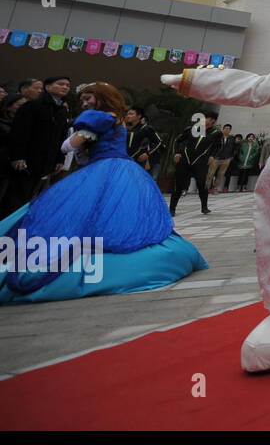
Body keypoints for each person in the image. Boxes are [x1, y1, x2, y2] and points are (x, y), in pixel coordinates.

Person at [0, 82, 207, 303]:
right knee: (117, 212)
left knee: (80, 211)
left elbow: (68, 146)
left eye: (88, 98)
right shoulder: (117, 119)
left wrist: (74, 141)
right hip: (124, 169)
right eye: (83, 99)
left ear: (102, 98)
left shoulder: (96, 118)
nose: (85, 103)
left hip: (103, 169)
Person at [7, 75, 71, 206]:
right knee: (16, 198)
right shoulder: (32, 106)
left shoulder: (62, 110)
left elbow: (62, 136)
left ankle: (23, 226)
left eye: (67, 85)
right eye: (61, 84)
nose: (65, 87)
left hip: (47, 163)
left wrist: (60, 158)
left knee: (33, 199)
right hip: (27, 161)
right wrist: (18, 156)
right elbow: (19, 132)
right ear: (47, 87)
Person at [170, 111, 221, 215]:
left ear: (212, 120)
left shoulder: (216, 133)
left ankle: (204, 207)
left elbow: (217, 146)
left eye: (206, 118)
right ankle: (172, 209)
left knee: (202, 184)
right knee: (178, 185)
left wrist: (212, 156)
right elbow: (178, 141)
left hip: (201, 162)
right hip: (185, 160)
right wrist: (177, 153)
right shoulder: (191, 129)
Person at [123, 106, 164, 175]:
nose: (128, 116)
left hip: (137, 164)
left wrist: (147, 154)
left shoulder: (146, 129)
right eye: (127, 114)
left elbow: (159, 143)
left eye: (131, 114)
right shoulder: (124, 128)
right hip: (123, 162)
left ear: (139, 116)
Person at [208, 124, 237, 194]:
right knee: (210, 174)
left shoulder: (232, 138)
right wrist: (211, 156)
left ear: (230, 130)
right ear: (223, 129)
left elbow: (233, 148)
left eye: (228, 129)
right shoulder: (218, 137)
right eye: (226, 128)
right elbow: (212, 146)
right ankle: (208, 188)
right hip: (216, 158)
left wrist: (230, 157)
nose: (227, 130)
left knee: (220, 175)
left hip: (226, 159)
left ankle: (215, 188)